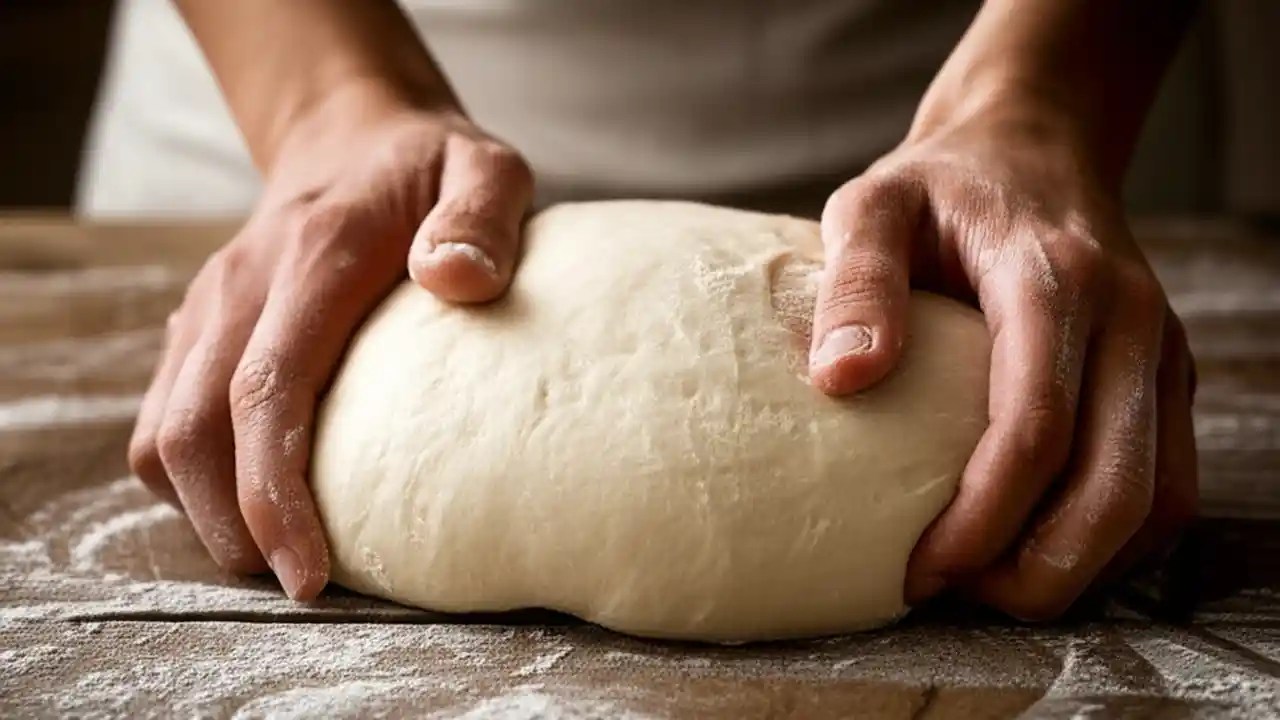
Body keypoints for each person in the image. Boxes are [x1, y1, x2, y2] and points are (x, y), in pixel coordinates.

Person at [98, 0, 1199, 620]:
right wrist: (322, 104)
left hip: (976, 105)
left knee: (1038, 406)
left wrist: (1040, 92)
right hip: (316, 135)